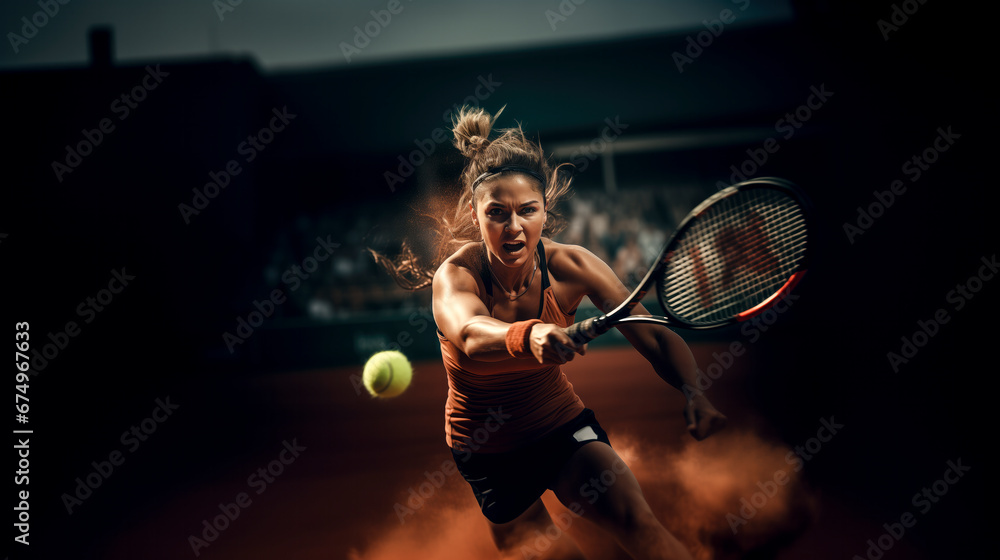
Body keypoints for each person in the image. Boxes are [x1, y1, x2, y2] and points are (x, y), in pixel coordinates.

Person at [374, 106, 727, 560]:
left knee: (637, 524)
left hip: (558, 423)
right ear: (474, 213)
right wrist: (531, 335)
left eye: (528, 211)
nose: (514, 226)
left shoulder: (572, 266)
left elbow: (652, 334)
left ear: (545, 211)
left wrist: (694, 389)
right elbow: (469, 334)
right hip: (487, 453)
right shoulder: (456, 275)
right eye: (497, 212)